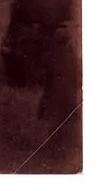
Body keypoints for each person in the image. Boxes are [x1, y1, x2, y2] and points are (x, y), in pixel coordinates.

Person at [37, 26, 82, 169]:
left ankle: (55, 154)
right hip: (71, 97)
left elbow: (47, 80)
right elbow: (79, 79)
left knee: (55, 125)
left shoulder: (53, 57)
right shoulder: (74, 57)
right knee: (68, 125)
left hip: (57, 96)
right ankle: (65, 152)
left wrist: (46, 97)